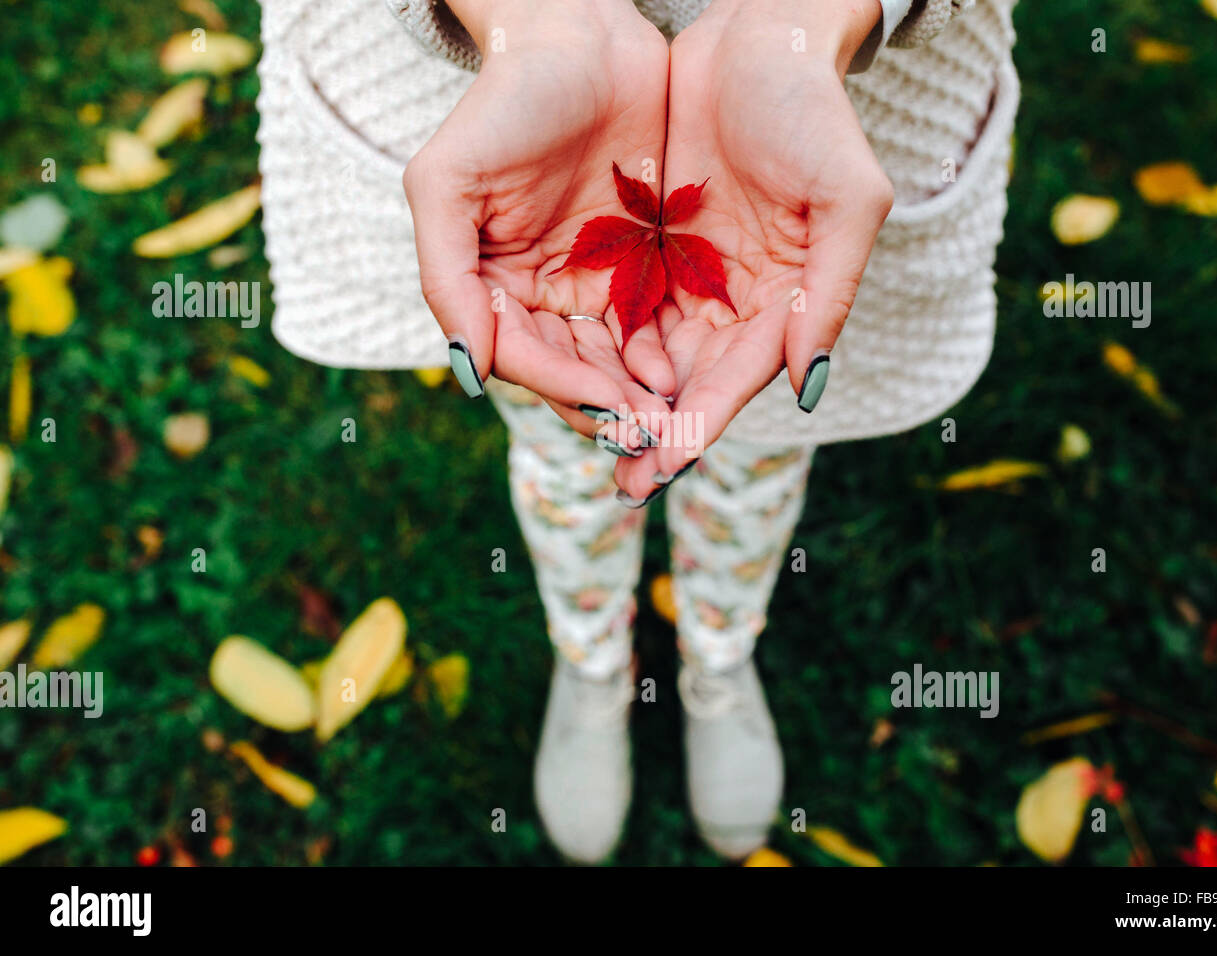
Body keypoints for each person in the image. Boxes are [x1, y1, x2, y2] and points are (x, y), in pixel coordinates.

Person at [256, 0, 1019, 862]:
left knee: (764, 430)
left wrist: (801, 25)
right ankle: (592, 657)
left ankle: (718, 650)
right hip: (517, 122)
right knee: (561, 418)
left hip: (811, 125)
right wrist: (534, 26)